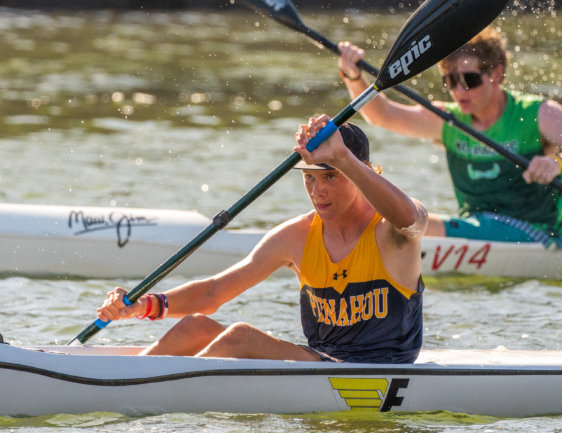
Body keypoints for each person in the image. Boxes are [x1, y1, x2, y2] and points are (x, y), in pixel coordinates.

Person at [96, 116, 428, 364]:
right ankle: (123, 385)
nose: (318, 191)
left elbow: (411, 219)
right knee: (193, 327)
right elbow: (214, 292)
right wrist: (143, 306)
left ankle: (156, 393)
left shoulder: (390, 231)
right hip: (321, 360)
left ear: (364, 170)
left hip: (377, 367)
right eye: (309, 177)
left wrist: (343, 158)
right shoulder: (296, 236)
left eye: (331, 176)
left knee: (240, 338)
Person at [337, 27, 562, 249]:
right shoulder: (448, 118)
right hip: (474, 227)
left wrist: (559, 163)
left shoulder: (538, 114)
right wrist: (353, 76)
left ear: (496, 74)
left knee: (404, 221)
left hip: (536, 234)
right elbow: (383, 115)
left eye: (469, 80)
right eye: (450, 81)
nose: (459, 91)